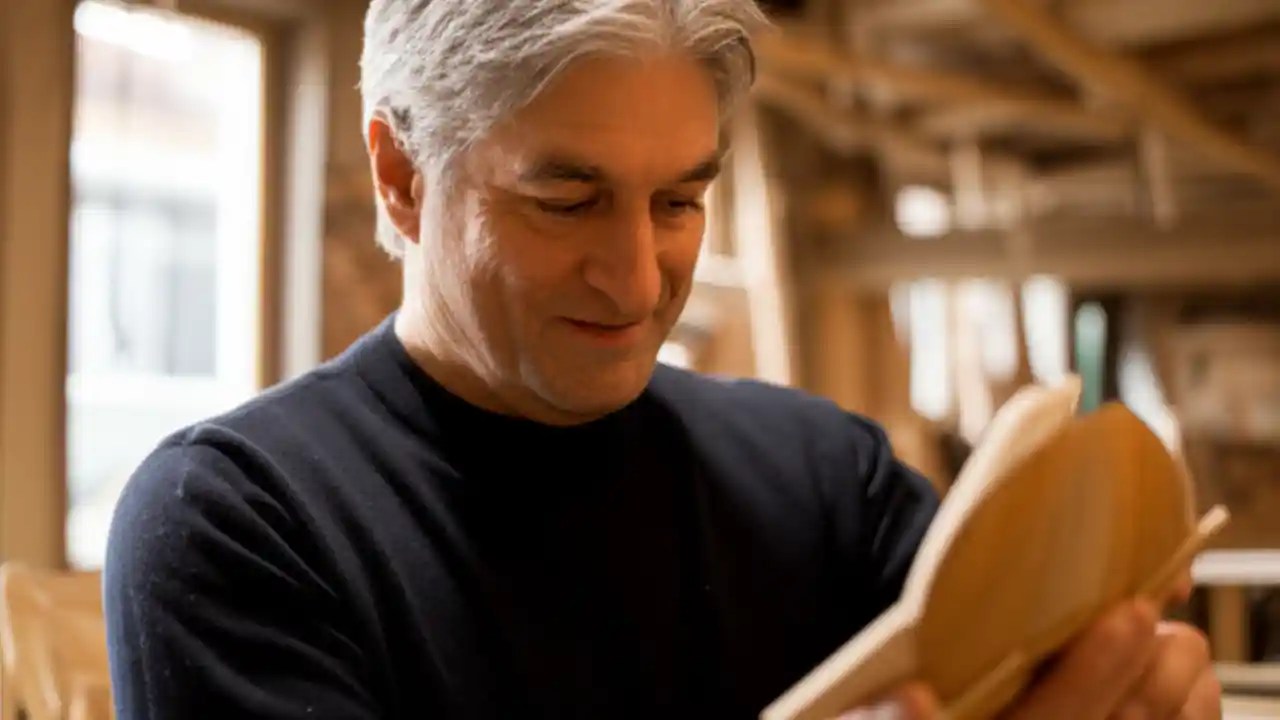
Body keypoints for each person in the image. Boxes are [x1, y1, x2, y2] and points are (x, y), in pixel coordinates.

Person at [103, 1, 1221, 718]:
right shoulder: (236, 525)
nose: (639, 283)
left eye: (680, 200)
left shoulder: (830, 479)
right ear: (400, 175)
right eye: (567, 199)